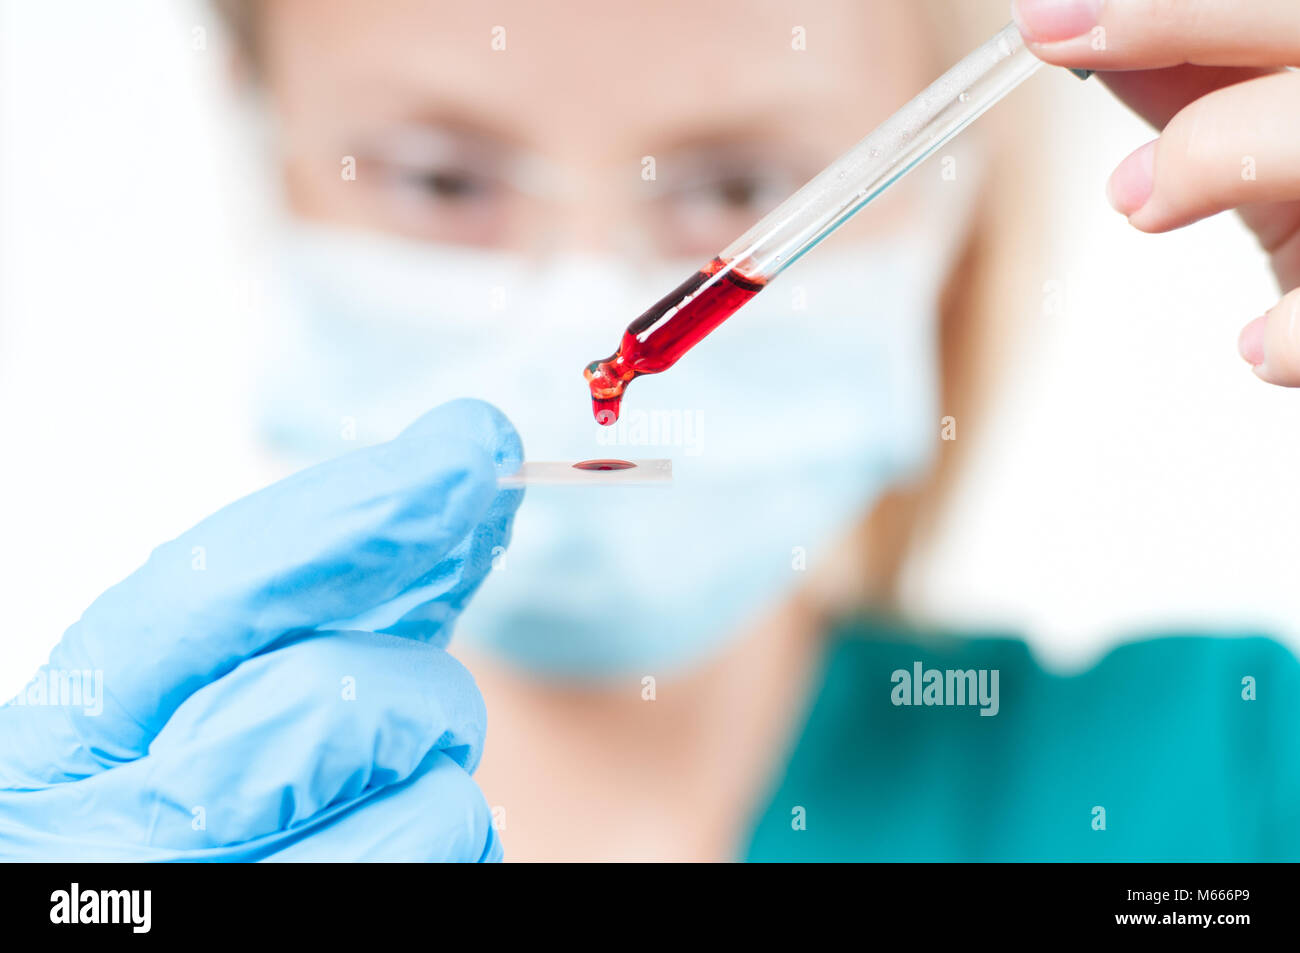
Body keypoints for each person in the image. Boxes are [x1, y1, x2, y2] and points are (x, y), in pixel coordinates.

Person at [1, 0, 1297, 861]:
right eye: (444, 178)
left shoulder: (1210, 793)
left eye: (736, 185)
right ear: (266, 146)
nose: (590, 314)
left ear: (953, 196)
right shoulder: (109, 830)